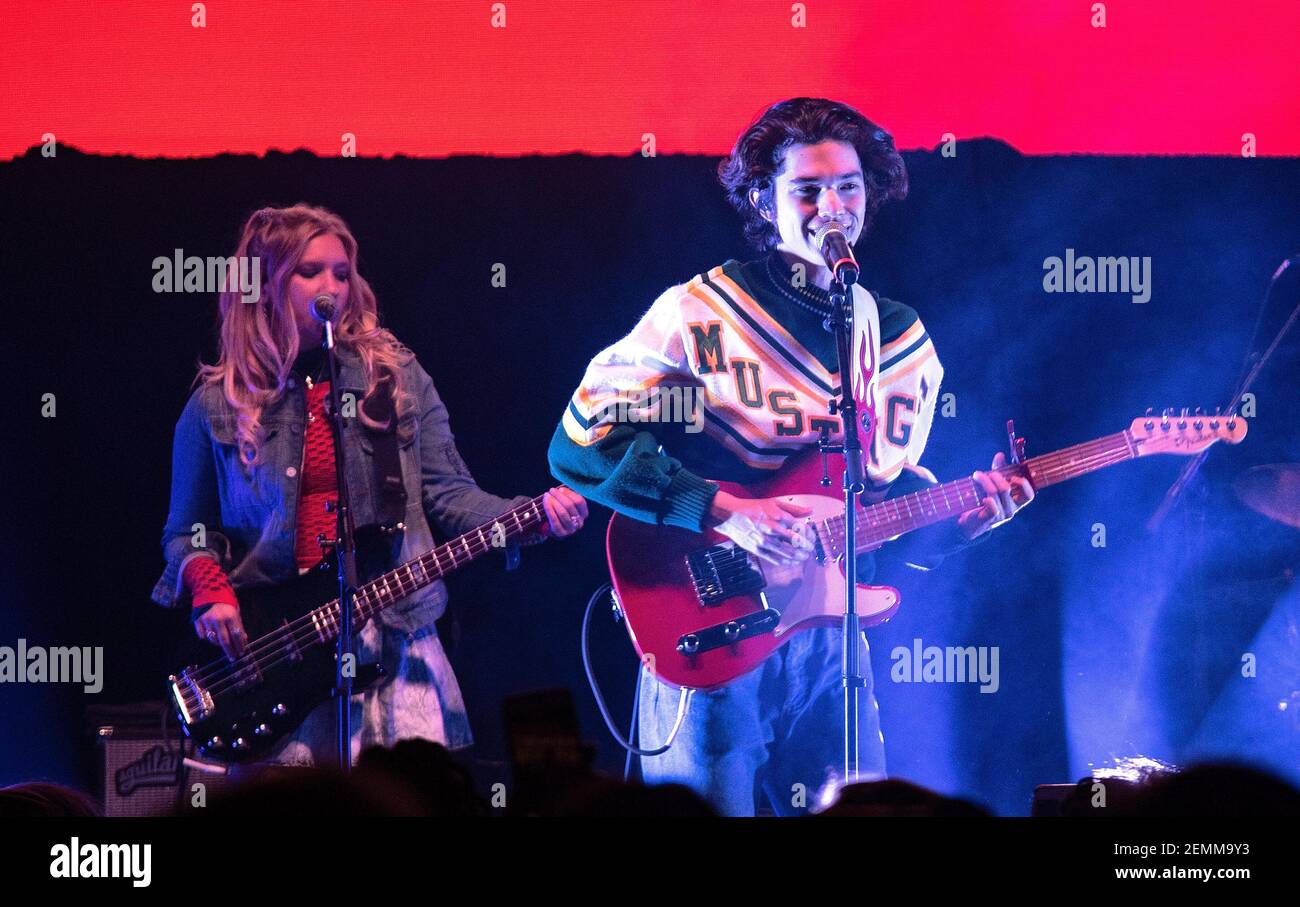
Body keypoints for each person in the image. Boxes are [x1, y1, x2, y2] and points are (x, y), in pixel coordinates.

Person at [549, 98, 1033, 815]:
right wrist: (726, 510)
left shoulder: (898, 337)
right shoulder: (701, 309)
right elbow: (581, 442)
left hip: (833, 640)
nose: (830, 206)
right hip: (711, 624)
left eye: (847, 186)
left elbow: (874, 523)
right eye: (806, 190)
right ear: (763, 201)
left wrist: (965, 524)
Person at [153, 204, 588, 765]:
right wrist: (209, 585)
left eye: (341, 271)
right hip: (282, 652)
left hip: (395, 631)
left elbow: (448, 494)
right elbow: (186, 531)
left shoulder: (395, 377)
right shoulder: (216, 402)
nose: (331, 285)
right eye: (310, 272)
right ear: (266, 285)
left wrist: (530, 516)